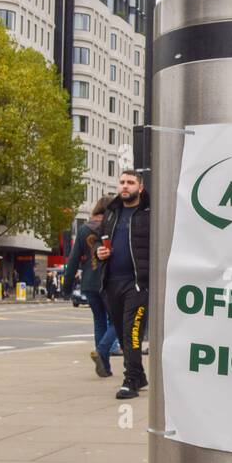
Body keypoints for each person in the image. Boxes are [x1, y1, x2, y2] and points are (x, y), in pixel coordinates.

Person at [96, 169, 150, 400]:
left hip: (137, 284)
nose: (125, 186)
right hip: (112, 284)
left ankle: (130, 380)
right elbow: (99, 244)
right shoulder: (111, 213)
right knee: (121, 331)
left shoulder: (149, 213)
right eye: (122, 182)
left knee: (132, 333)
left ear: (141, 187)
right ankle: (139, 376)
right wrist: (99, 253)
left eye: (130, 182)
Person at [63, 196, 119, 377]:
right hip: (109, 280)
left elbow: (72, 260)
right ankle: (102, 351)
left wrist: (67, 286)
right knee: (117, 320)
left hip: (89, 281)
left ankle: (105, 367)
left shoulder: (84, 229)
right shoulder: (114, 226)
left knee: (99, 320)